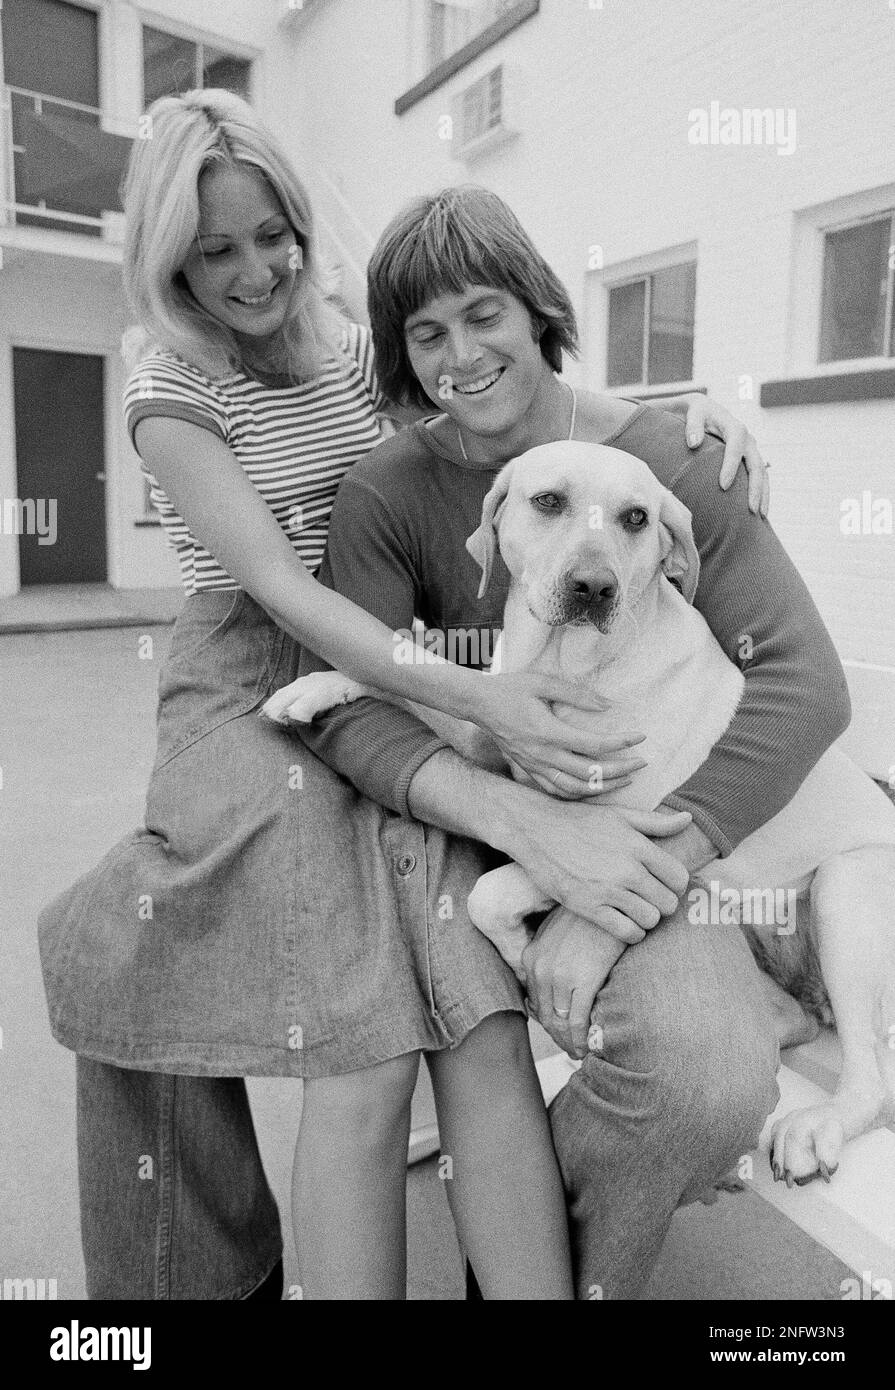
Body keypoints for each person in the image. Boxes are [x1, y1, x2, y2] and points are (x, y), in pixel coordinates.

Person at [37, 91, 766, 1300]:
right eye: (212, 250)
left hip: (397, 672)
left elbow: (506, 406)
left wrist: (678, 425)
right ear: (167, 258)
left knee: (471, 1016)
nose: (254, 269)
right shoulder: (169, 392)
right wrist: (475, 701)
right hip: (267, 679)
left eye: (270, 233)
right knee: (365, 1045)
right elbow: (279, 587)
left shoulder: (349, 348)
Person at [295, 185, 852, 1299]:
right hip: (492, 821)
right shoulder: (387, 492)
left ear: (538, 309)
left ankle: (552, 1271)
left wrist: (622, 894)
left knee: (701, 1084)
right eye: (425, 331)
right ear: (400, 358)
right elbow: (358, 701)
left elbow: (807, 688)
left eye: (485, 312)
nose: (461, 353)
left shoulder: (678, 465)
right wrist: (522, 822)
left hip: (693, 840)